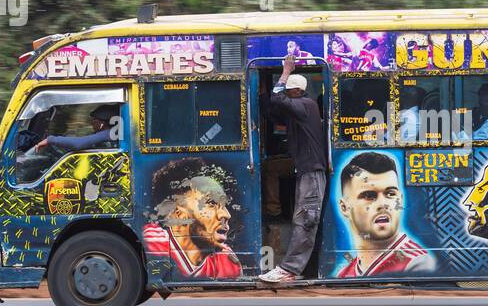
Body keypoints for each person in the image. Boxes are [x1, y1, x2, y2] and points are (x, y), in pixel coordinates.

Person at [258, 52, 330, 285]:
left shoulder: (305, 105)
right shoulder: (298, 109)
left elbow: (279, 101)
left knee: (305, 219)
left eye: (288, 88)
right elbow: (272, 108)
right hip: (304, 168)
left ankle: (289, 268)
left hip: (311, 170)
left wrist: (286, 71)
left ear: (296, 91)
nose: (285, 92)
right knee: (303, 215)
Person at [335, 152, 434, 277]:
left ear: (401, 199)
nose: (383, 204)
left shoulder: (417, 264)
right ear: (344, 207)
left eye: (390, 194)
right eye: (369, 196)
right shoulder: (343, 274)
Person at [143, 161, 241, 278]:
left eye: (224, 205)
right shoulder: (151, 242)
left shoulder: (228, 263)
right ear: (176, 212)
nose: (226, 214)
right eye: (211, 203)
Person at [33, 104, 120, 153]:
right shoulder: (110, 133)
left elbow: (79, 143)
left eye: (94, 119)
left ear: (102, 122)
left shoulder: (109, 134)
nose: (92, 122)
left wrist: (50, 140)